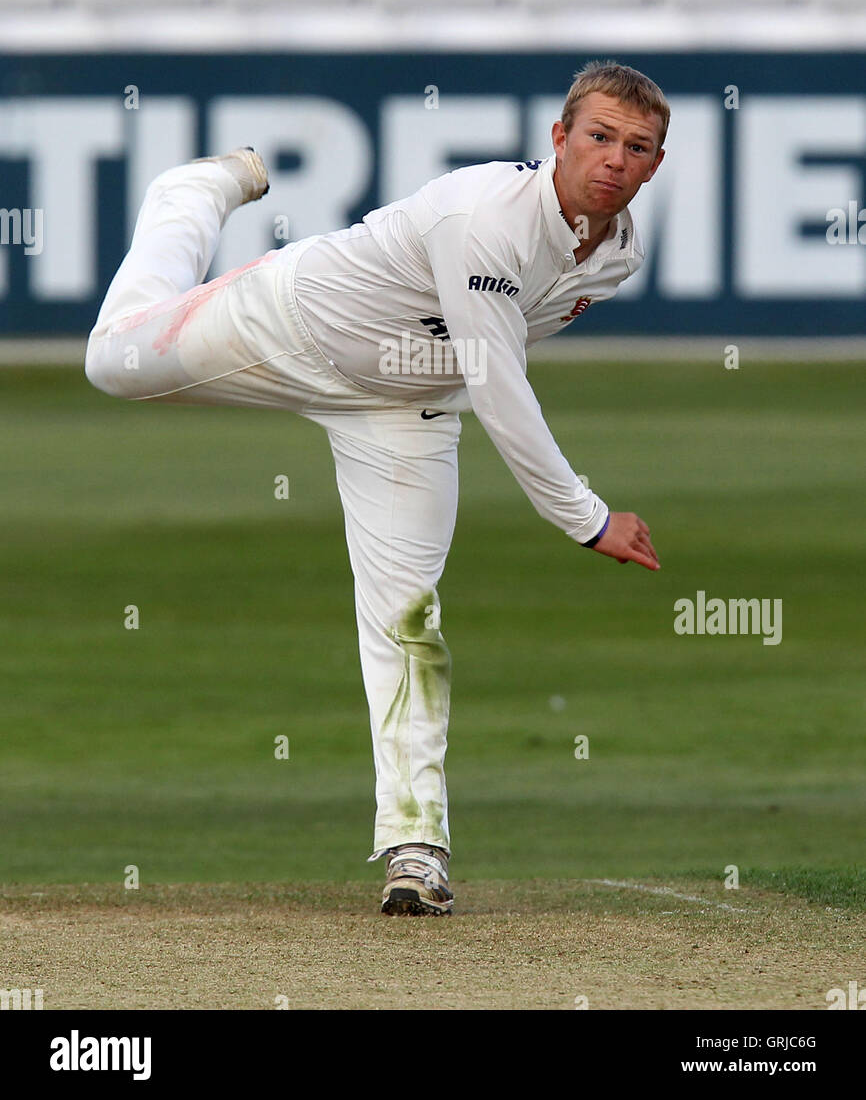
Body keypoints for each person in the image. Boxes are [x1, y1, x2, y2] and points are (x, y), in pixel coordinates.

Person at [85, 59, 665, 916]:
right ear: (559, 139)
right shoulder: (484, 218)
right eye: (599, 137)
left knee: (408, 618)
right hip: (291, 323)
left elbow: (475, 365)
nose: (615, 159)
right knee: (111, 360)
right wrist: (585, 518)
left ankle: (415, 847)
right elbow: (498, 382)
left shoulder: (616, 257)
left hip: (404, 413)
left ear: (655, 164)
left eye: (638, 147)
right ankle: (189, 196)